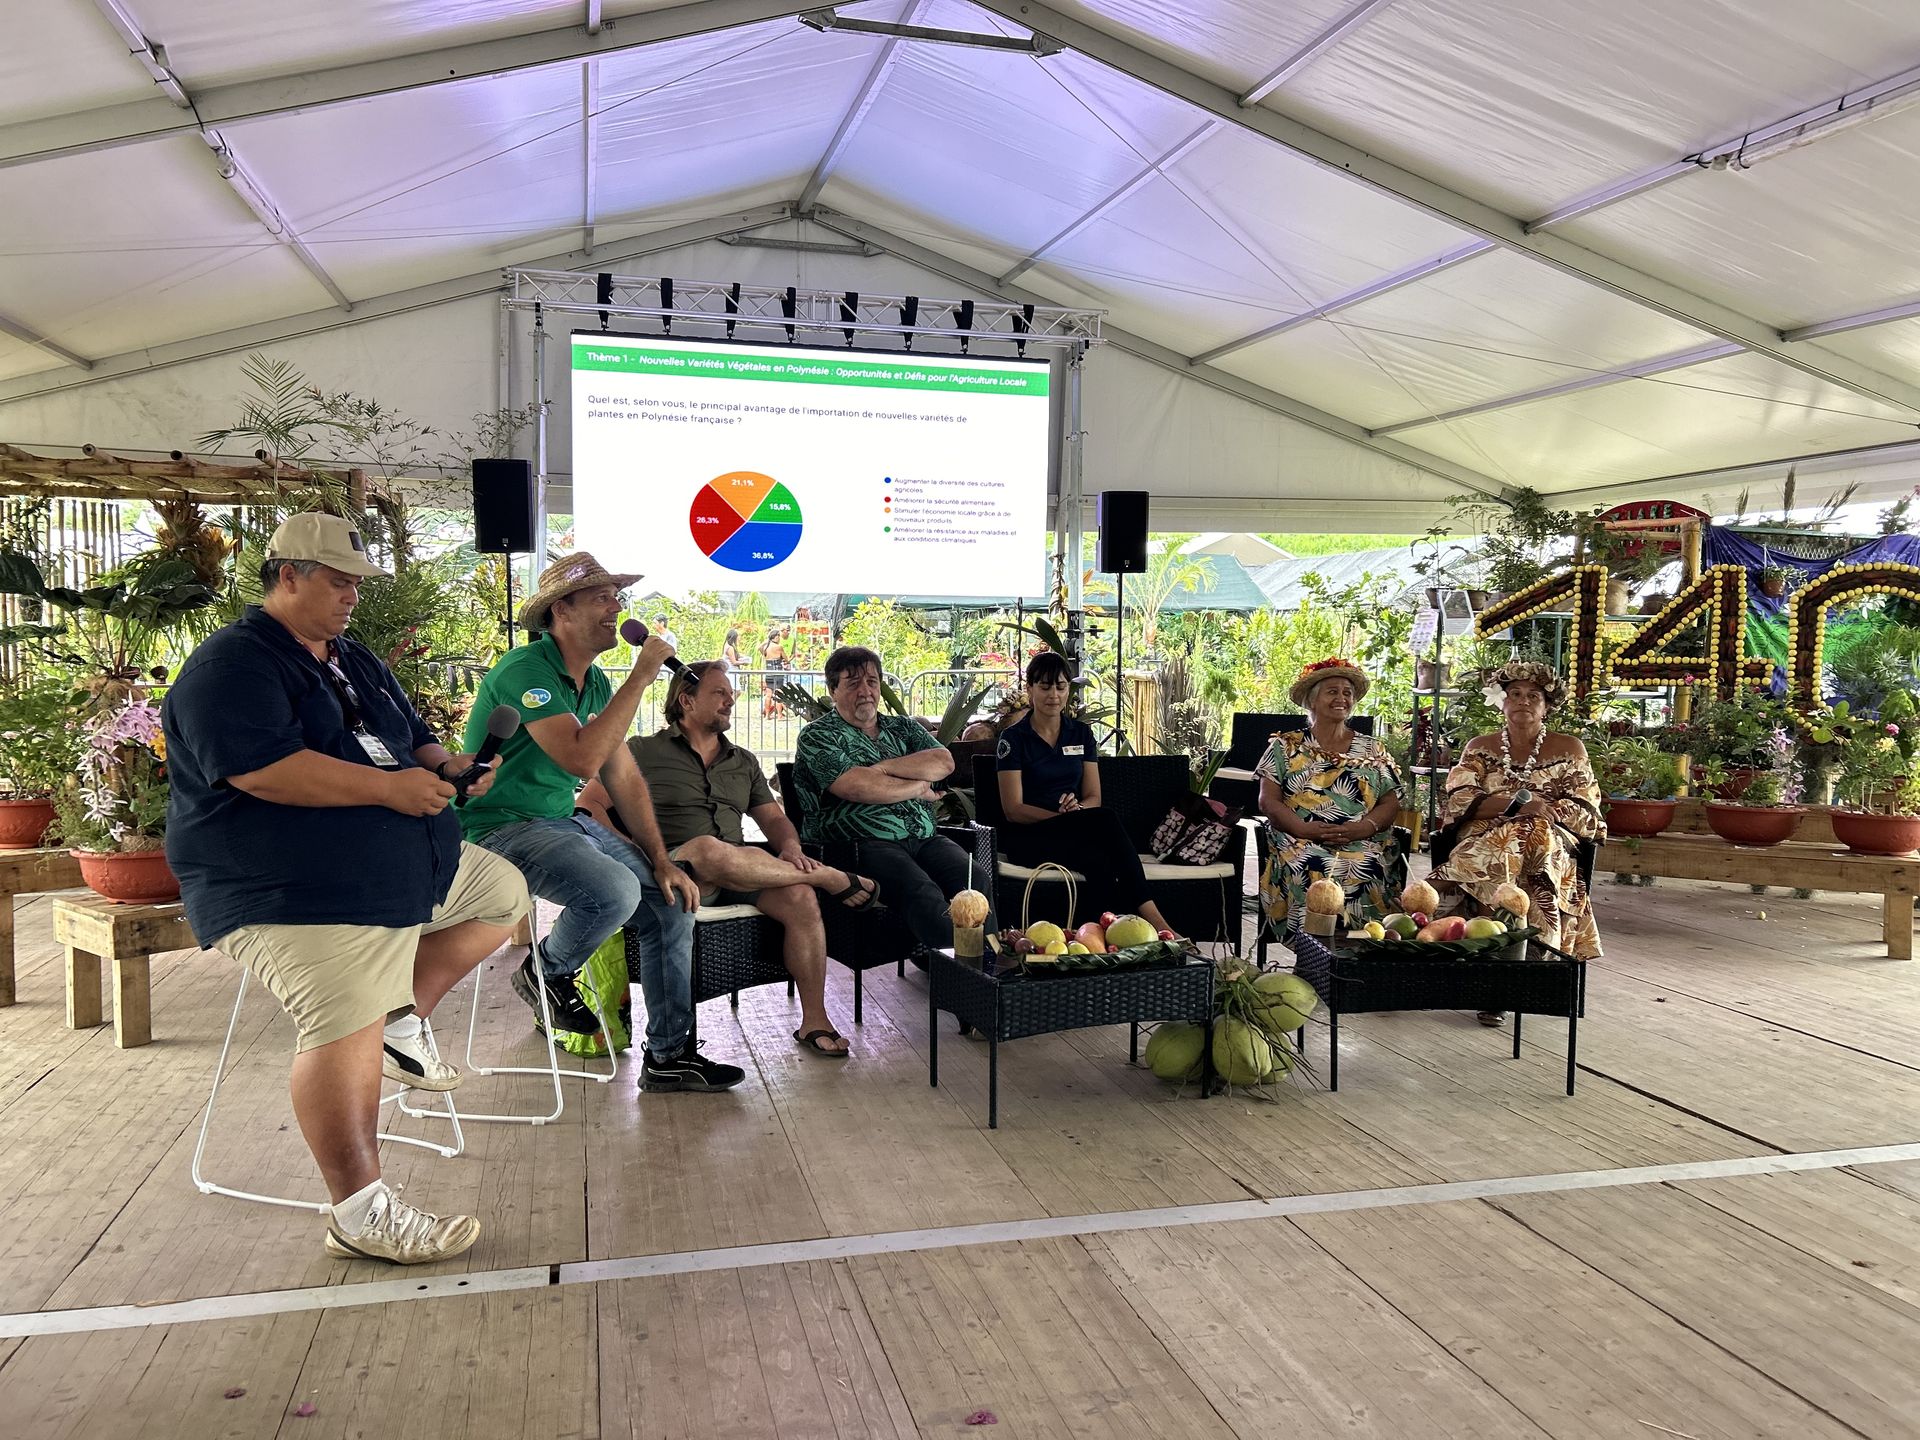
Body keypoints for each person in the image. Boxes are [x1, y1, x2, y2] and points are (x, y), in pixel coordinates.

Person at [163, 513, 531, 1265]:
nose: (352, 596)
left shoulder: (349, 655)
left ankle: (403, 1015)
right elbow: (263, 770)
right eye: (339, 581)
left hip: (397, 868)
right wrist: (389, 790)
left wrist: (447, 767)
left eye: (358, 583)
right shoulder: (231, 666)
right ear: (288, 575)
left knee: (504, 892)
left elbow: (409, 737)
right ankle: (360, 1211)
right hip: (290, 888)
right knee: (345, 1011)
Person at [457, 553, 744, 1093]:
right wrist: (641, 675)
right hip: (498, 827)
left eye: (618, 597)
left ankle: (669, 1056)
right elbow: (580, 760)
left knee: (671, 900)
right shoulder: (526, 670)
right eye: (602, 598)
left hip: (556, 821)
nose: (617, 608)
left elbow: (623, 777)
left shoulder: (588, 685)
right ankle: (545, 970)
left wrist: (662, 862)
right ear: (561, 610)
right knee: (612, 891)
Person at [578, 661, 880, 1057]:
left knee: (801, 897)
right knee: (706, 848)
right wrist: (637, 854)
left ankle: (814, 1020)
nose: (731, 700)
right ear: (686, 700)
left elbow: (772, 818)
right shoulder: (641, 750)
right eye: (719, 693)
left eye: (731, 693)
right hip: (676, 870)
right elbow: (589, 805)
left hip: (739, 870)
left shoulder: (743, 760)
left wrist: (789, 847)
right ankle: (831, 877)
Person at [791, 645, 985, 953]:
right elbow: (853, 786)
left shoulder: (901, 727)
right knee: (922, 891)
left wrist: (880, 769)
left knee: (976, 882)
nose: (865, 690)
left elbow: (943, 762)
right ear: (833, 690)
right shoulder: (818, 736)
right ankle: (966, 975)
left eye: (872, 681)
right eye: (853, 682)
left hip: (922, 837)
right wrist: (918, 787)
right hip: (859, 843)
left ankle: (986, 966)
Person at [1430, 661, 1604, 992]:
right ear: (1502, 701)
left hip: (1548, 846)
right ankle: (1519, 972)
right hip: (1486, 838)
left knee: (1532, 830)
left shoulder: (1569, 748)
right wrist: (1520, 807)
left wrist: (1532, 814)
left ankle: (1493, 973)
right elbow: (1460, 799)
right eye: (1515, 694)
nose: (1523, 701)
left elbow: (1585, 809)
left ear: (1547, 706)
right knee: (1523, 829)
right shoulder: (1479, 747)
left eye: (1534, 695)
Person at [995, 651, 1173, 934]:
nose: (1053, 694)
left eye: (1060, 686)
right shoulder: (1013, 739)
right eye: (1044, 687)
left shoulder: (1080, 734)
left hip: (1073, 829)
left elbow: (1093, 798)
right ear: (1029, 689)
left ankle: (1100, 939)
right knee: (1106, 819)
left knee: (1100, 861)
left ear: (1068, 690)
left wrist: (1075, 812)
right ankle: (1158, 922)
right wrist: (1060, 816)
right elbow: (1013, 809)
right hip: (1027, 836)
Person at [1257, 658, 1404, 935]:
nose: (1341, 698)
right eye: (1332, 691)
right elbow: (1268, 801)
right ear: (1312, 701)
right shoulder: (1286, 745)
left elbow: (1390, 802)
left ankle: (1360, 949)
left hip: (1359, 839)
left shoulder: (1372, 748)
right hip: (1299, 839)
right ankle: (1312, 952)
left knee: (1366, 865)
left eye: (1347, 693)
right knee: (1312, 864)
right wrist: (1303, 828)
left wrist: (1362, 827)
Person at [761, 626, 789, 717]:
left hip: (768, 672)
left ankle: (767, 715)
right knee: (778, 694)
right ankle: (780, 714)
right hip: (777, 672)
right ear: (776, 637)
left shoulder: (765, 647)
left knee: (768, 695)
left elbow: (759, 648)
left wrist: (766, 641)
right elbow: (786, 659)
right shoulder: (778, 647)